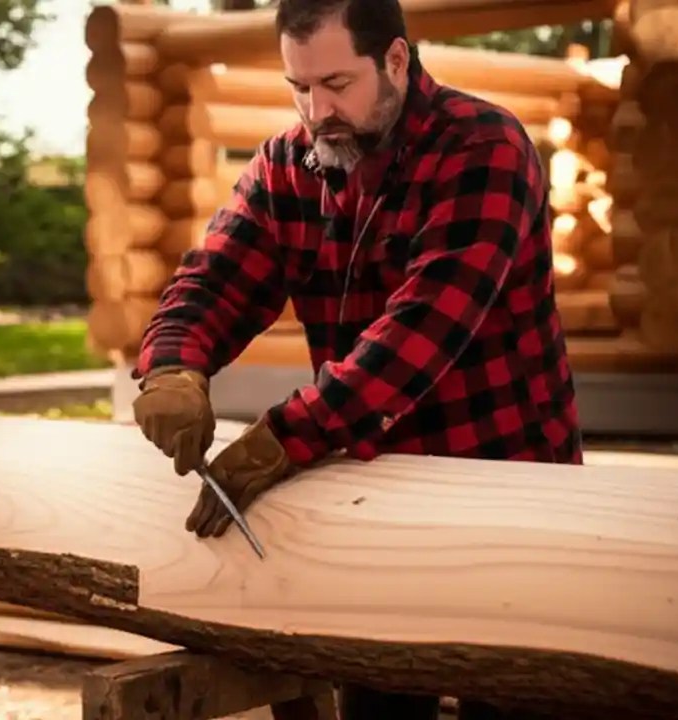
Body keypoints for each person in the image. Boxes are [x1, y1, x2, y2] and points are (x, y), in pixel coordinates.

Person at [131, 0, 583, 716]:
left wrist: (286, 436)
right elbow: (214, 279)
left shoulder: (484, 148)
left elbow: (419, 334)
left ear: (396, 61)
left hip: (504, 501)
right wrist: (172, 366)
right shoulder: (287, 166)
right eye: (299, 88)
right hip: (371, 502)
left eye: (337, 85)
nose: (317, 111)